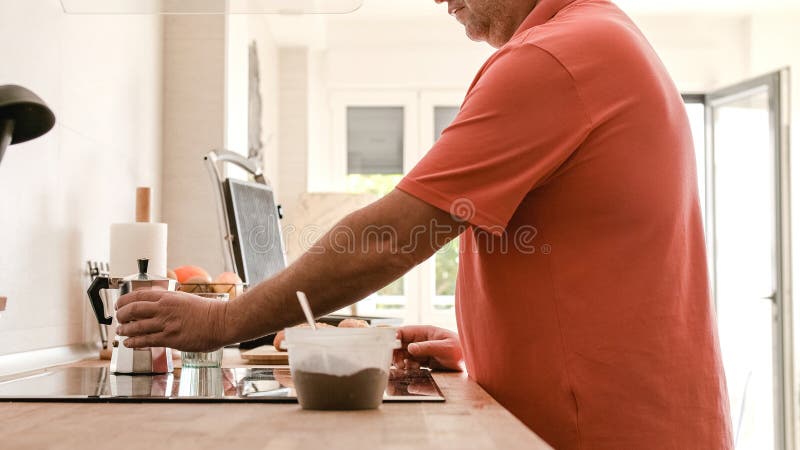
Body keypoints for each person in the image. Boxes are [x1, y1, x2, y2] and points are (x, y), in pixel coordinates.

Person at [116, 0, 733, 447]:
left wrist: (224, 320)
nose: (438, 0)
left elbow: (390, 236)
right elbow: (602, 269)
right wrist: (486, 348)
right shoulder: (600, 39)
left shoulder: (555, 57)